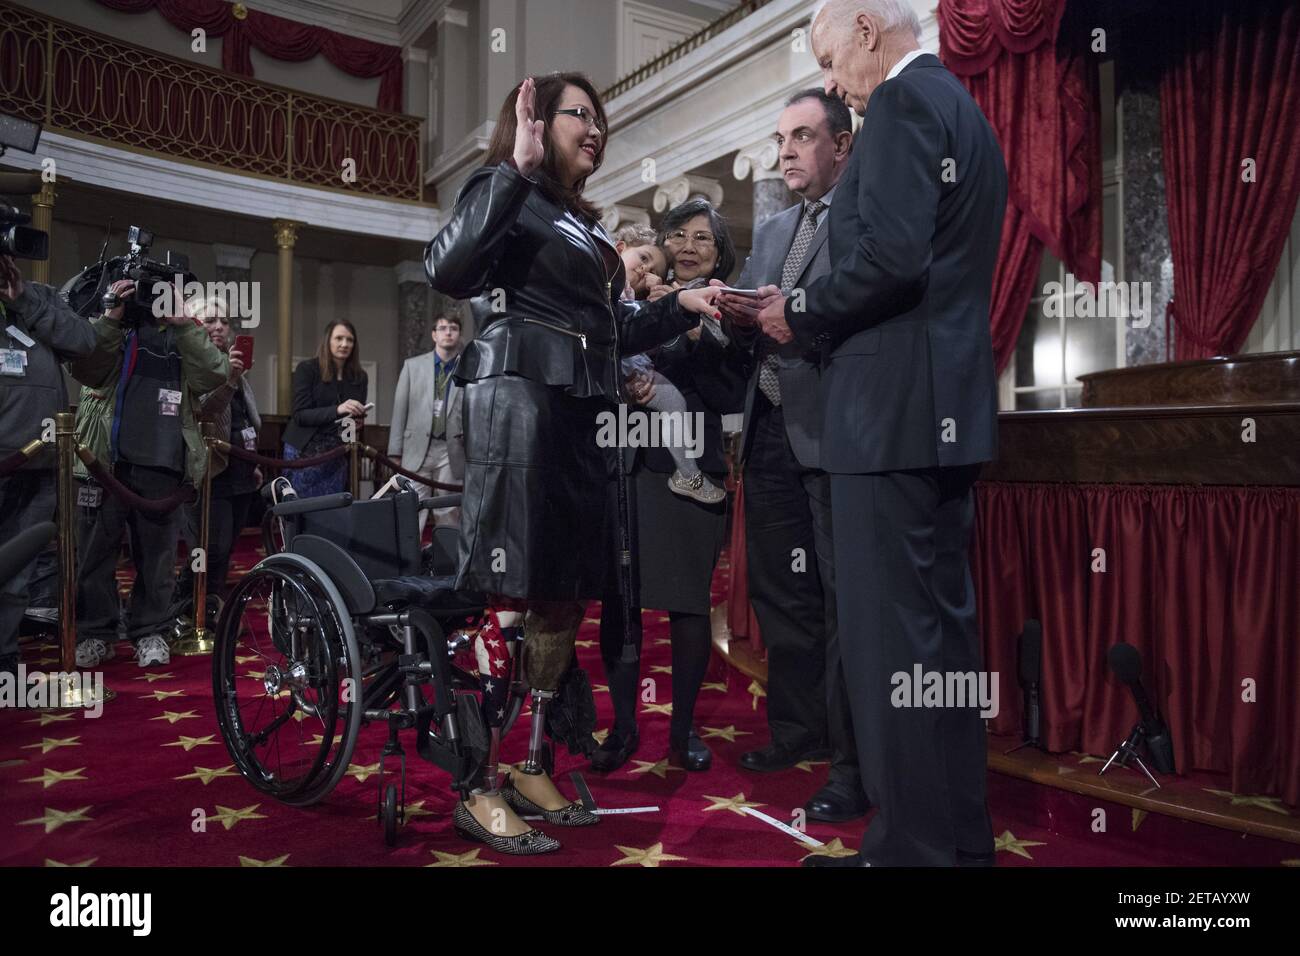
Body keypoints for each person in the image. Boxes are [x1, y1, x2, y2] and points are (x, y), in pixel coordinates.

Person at [425, 72, 722, 854]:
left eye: (600, 117)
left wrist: (676, 307)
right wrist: (514, 169)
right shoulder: (505, 188)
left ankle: (528, 765)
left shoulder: (580, 224)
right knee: (516, 598)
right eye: (578, 115)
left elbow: (612, 325)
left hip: (581, 412)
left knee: (563, 605)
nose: (595, 128)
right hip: (519, 408)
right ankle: (478, 783)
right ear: (533, 120)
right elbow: (446, 270)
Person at [754, 0, 1008, 867]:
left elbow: (892, 259)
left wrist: (800, 311)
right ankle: (955, 840)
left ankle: (911, 850)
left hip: (887, 421)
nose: (830, 80)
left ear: (868, 29)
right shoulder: (964, 109)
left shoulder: (900, 104)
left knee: (889, 649)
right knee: (938, 647)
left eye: (829, 57)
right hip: (941, 420)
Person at [719, 89, 867, 824]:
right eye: (780, 138)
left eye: (802, 136)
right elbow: (759, 328)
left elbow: (862, 313)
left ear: (841, 145)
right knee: (783, 594)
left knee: (842, 602)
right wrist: (734, 313)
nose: (785, 152)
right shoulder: (774, 227)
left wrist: (794, 317)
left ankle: (851, 760)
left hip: (836, 432)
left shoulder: (866, 216)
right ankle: (796, 731)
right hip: (768, 428)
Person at [593, 200, 749, 773]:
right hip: (625, 465)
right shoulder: (627, 298)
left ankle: (681, 734)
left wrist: (686, 329)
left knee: (686, 606)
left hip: (693, 474)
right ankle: (624, 728)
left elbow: (733, 394)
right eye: (677, 233)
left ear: (718, 251)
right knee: (620, 603)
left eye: (701, 237)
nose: (687, 245)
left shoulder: (729, 310)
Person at [70, 276, 230, 668]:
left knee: (157, 559)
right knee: (94, 555)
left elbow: (214, 374)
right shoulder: (113, 326)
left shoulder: (184, 335)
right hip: (104, 460)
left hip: (164, 461)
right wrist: (111, 317)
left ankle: (150, 632)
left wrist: (182, 324)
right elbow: (84, 367)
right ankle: (96, 633)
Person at [0, 252, 97, 678]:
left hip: (41, 461)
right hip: (3, 459)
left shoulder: (39, 297)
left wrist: (22, 298)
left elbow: (83, 341)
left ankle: (4, 655)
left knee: (17, 570)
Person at [615, 224, 724, 505]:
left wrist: (669, 309)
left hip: (686, 438)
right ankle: (688, 474)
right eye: (642, 259)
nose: (645, 271)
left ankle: (688, 474)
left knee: (673, 401)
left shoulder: (640, 298)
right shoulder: (605, 283)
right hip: (620, 447)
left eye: (653, 270)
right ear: (620, 248)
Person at [176, 295, 261, 605]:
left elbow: (244, 418)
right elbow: (204, 412)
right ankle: (191, 604)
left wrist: (253, 462)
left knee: (227, 547)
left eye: (224, 321)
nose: (220, 327)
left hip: (239, 467)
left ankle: (210, 605)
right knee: (211, 547)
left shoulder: (231, 361)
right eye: (210, 320)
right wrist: (230, 380)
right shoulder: (191, 360)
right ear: (195, 324)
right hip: (210, 469)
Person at [388, 314, 465, 531]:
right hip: (416, 448)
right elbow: (399, 411)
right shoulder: (413, 366)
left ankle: (445, 563)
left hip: (452, 449)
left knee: (449, 511)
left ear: (459, 334)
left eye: (453, 328)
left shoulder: (469, 367)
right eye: (442, 328)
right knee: (411, 509)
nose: (448, 332)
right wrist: (395, 452)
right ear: (434, 334)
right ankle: (409, 563)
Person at [281, 321, 367, 498]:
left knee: (332, 511)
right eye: (339, 338)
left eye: (349, 340)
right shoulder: (307, 369)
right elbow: (300, 415)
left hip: (336, 452)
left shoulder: (360, 377)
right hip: (304, 450)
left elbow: (349, 423)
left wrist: (355, 423)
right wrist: (338, 409)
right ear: (328, 341)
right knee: (301, 511)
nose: (344, 344)